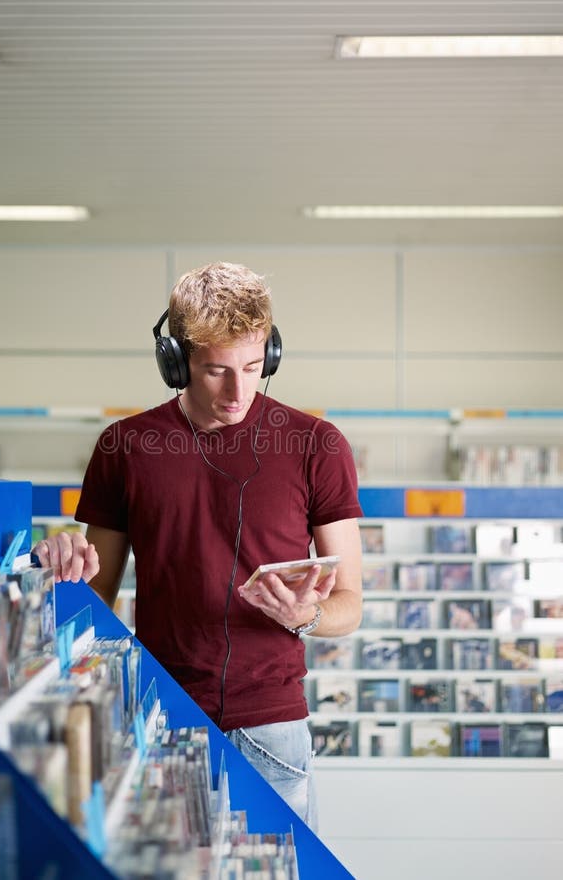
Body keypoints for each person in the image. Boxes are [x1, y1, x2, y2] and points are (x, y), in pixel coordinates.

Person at [33, 261, 363, 831]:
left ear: (272, 355)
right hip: (161, 716)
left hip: (272, 729)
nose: (239, 392)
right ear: (177, 361)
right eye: (215, 371)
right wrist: (60, 564)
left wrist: (306, 614)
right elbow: (91, 601)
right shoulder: (125, 447)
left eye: (254, 367)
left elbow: (351, 605)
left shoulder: (317, 445)